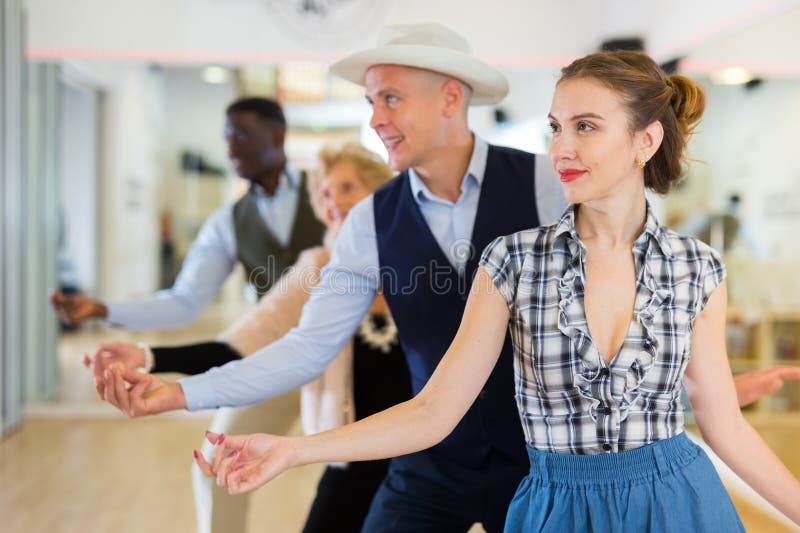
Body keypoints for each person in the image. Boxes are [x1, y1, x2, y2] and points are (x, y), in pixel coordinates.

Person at [97, 24, 798, 532]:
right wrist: (190, 393)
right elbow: (314, 350)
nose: (376, 119)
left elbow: (637, 345)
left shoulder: (568, 195)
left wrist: (688, 392)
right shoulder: (412, 230)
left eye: (390, 99)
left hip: (582, 472)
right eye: (556, 127)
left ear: (450, 98)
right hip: (455, 463)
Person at [89, 143, 411, 533]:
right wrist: (149, 357)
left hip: (420, 453)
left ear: (379, 192)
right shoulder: (318, 269)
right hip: (353, 457)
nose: (335, 203)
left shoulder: (418, 262)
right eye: (325, 194)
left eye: (347, 188)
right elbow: (240, 344)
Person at [50, 97, 325, 330]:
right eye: (227, 140)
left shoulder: (330, 195)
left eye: (241, 136)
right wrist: (101, 309)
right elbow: (185, 301)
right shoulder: (228, 222)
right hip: (282, 350)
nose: (231, 150)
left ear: (278, 135)